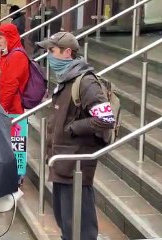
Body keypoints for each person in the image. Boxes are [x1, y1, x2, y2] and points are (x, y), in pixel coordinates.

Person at [37, 32, 115, 240]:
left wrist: (73, 128)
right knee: (67, 225)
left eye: (52, 51)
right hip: (63, 162)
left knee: (80, 229)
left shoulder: (86, 82)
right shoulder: (66, 80)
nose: (49, 56)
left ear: (67, 52)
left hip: (76, 164)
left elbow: (106, 119)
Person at [0, 23, 29, 114]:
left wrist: (2, 108)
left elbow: (10, 85)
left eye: (0, 38)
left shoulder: (17, 55)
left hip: (13, 109)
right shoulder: (6, 54)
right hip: (9, 106)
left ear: (9, 37)